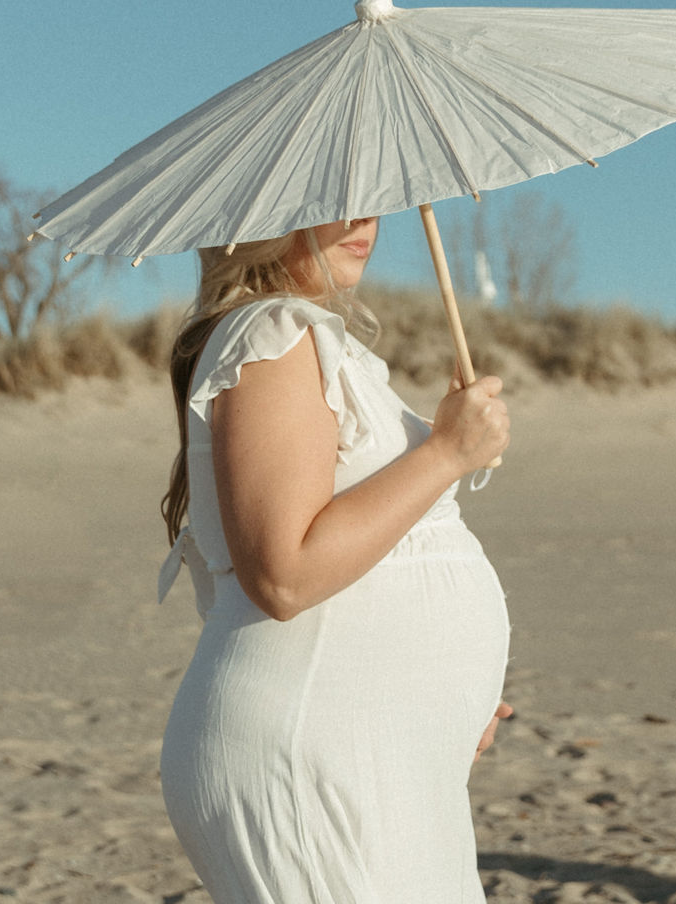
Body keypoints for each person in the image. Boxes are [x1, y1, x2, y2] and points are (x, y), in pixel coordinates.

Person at [158, 217, 512, 904]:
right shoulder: (271, 333)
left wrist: (437, 700)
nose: (365, 220)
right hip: (311, 754)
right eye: (334, 197)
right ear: (263, 216)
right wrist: (445, 454)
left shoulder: (306, 339)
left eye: (372, 196)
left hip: (368, 752)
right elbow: (283, 575)